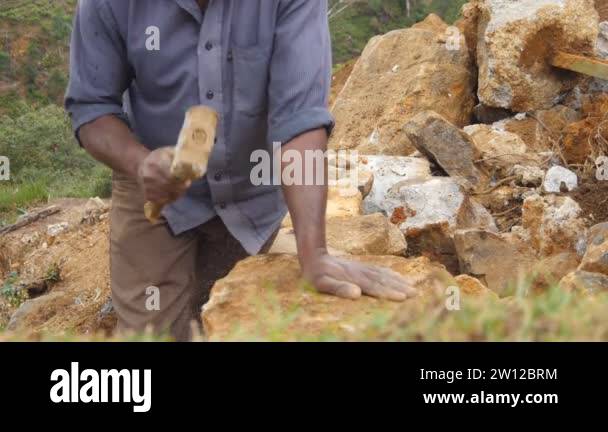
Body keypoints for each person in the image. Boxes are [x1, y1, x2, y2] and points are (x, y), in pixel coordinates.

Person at [65, 0, 416, 341]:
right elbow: (91, 104)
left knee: (237, 319)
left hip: (251, 188)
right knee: (151, 333)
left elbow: (300, 120)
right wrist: (141, 163)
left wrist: (316, 253)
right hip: (154, 190)